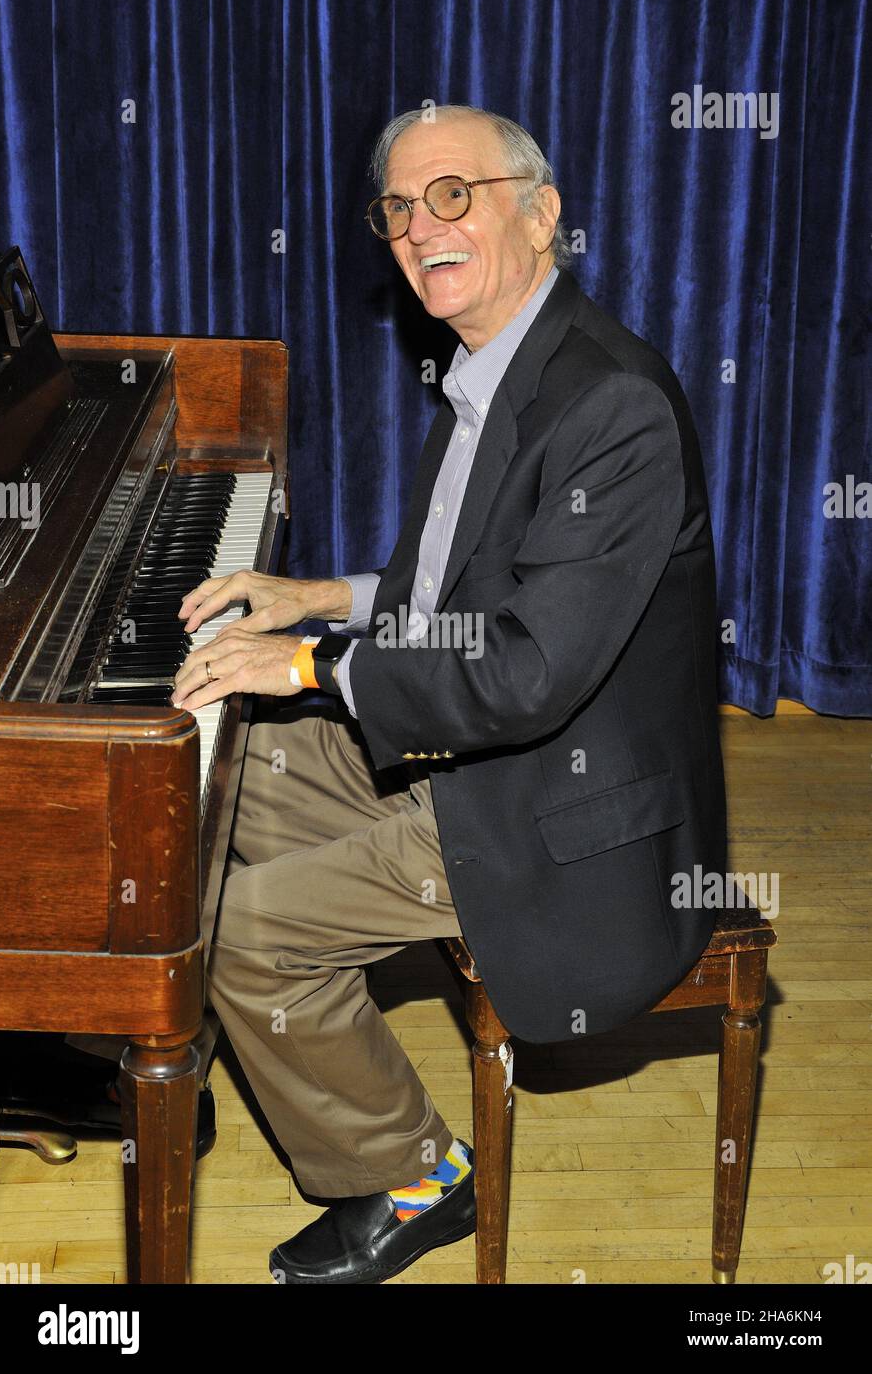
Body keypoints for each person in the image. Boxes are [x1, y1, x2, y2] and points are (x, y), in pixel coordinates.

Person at [167, 104, 727, 1285]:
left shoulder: (608, 405)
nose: (420, 229)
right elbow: (457, 596)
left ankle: (419, 1173)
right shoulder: (491, 365)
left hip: (556, 817)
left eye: (453, 196)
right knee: (209, 775)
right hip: (468, 758)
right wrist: (310, 595)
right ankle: (183, 1060)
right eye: (399, 211)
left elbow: (525, 670)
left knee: (251, 934)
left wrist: (313, 663)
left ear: (542, 210)